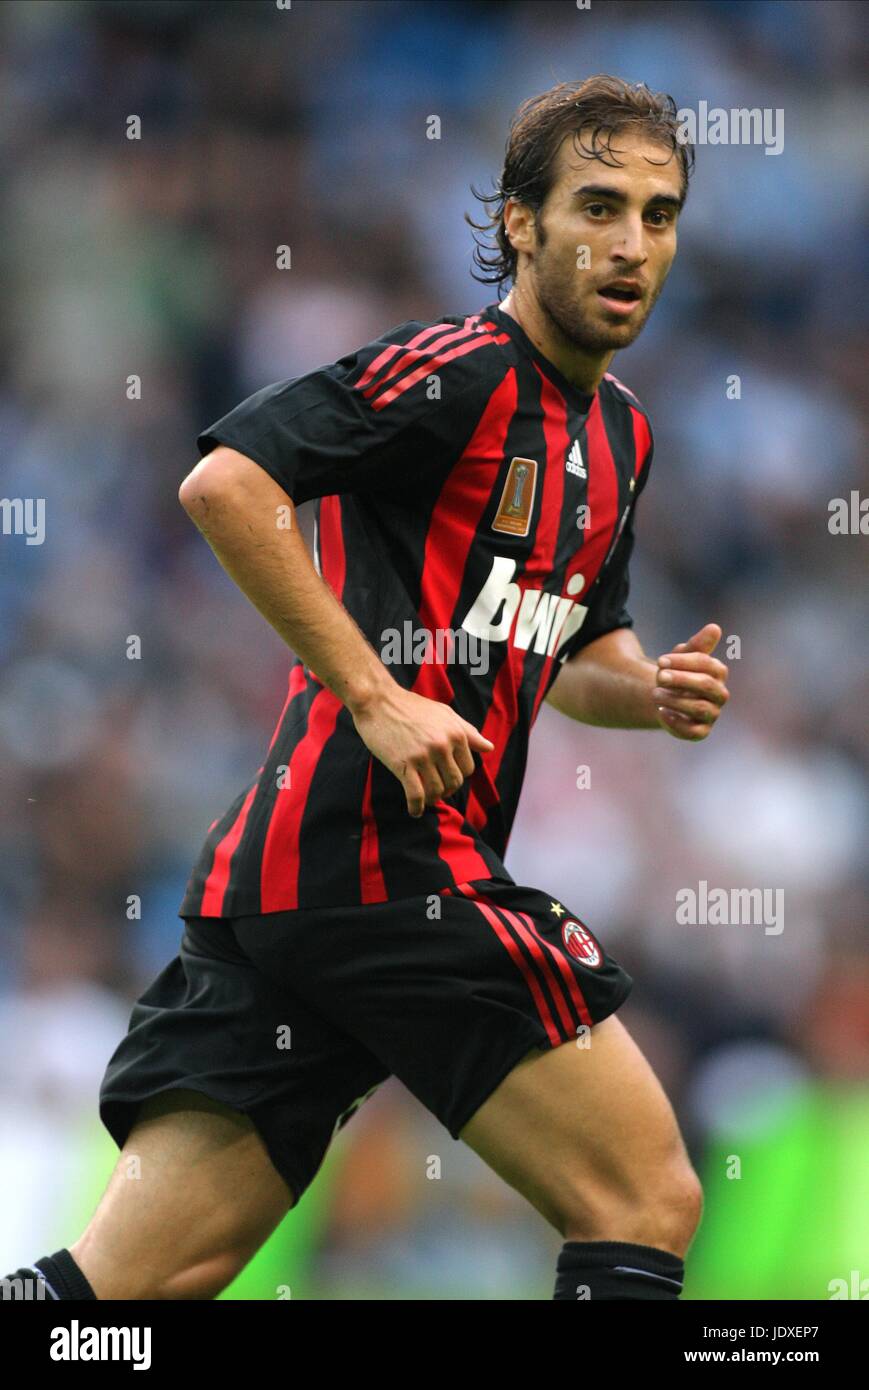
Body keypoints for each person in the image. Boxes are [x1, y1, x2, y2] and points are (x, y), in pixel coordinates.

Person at [4, 75, 730, 1303]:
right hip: (389, 862)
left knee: (123, 1291)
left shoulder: (622, 437)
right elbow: (226, 484)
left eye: (656, 216)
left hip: (291, 891)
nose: (628, 244)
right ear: (518, 222)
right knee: (643, 1198)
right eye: (596, 206)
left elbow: (567, 654)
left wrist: (650, 689)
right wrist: (379, 696)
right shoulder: (452, 372)